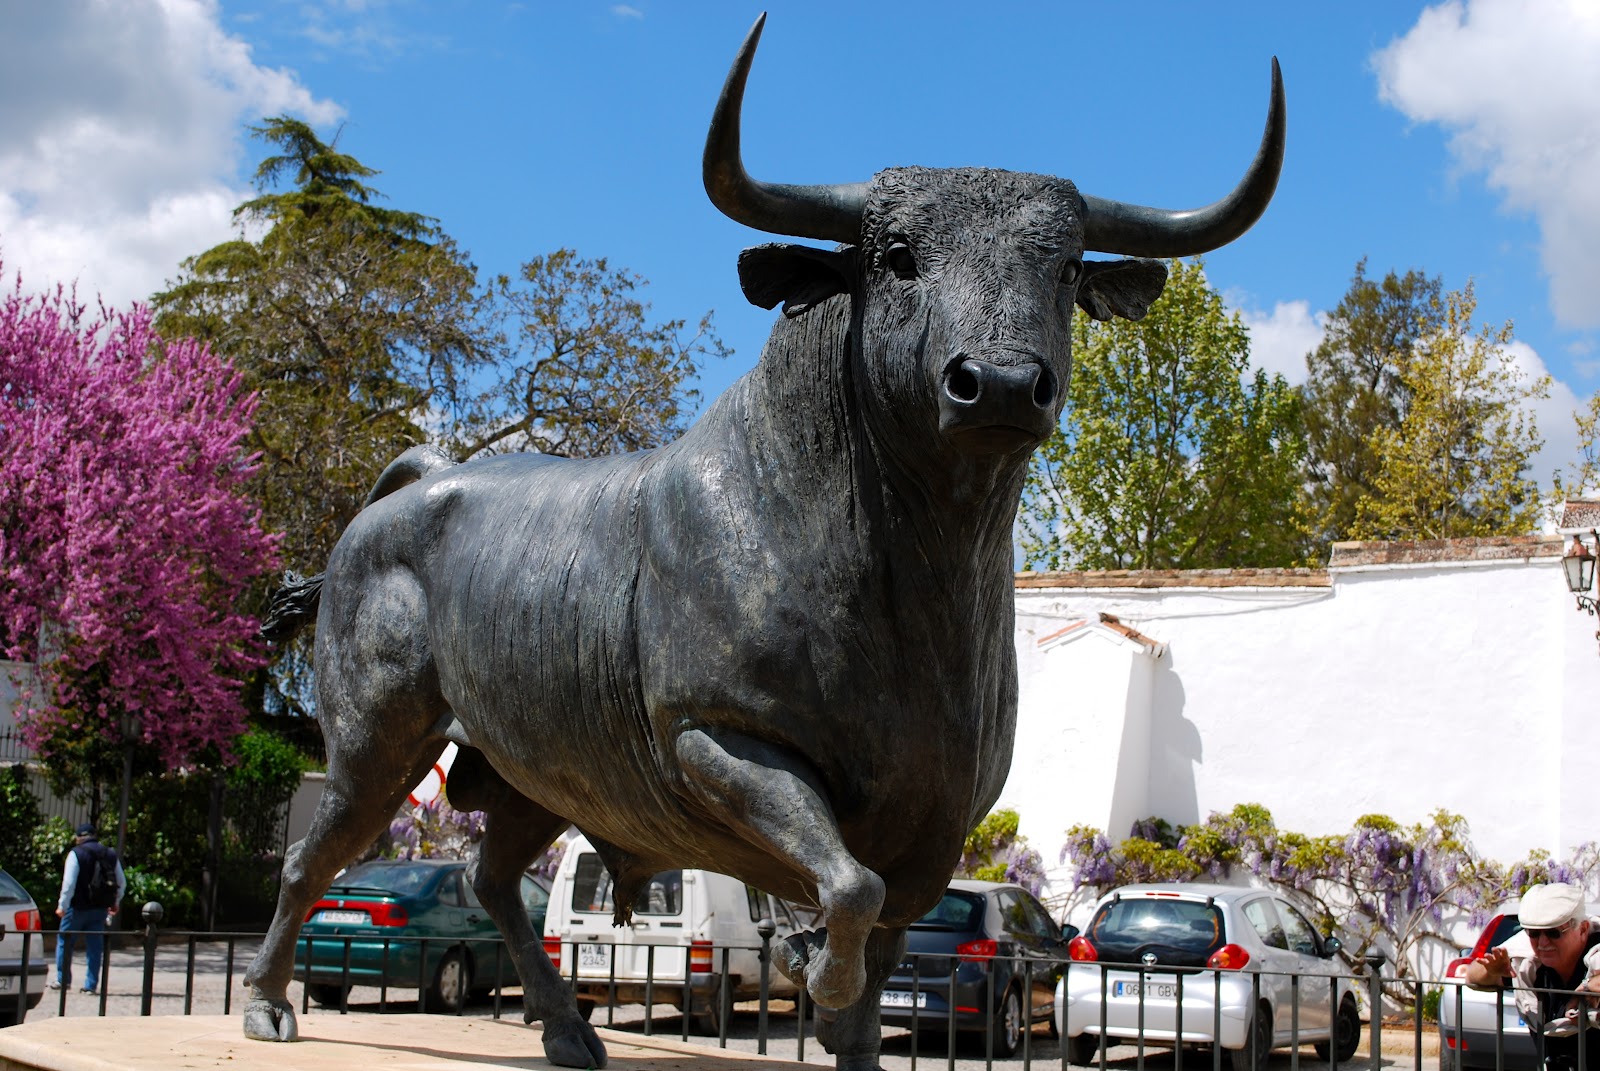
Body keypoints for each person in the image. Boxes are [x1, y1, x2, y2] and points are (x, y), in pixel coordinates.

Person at [1466, 883, 1600, 1071]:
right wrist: (1492, 971)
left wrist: (1588, 985)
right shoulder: (1529, 962)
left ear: (1583, 929)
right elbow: (1472, 976)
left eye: (1554, 933)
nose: (1543, 942)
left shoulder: (1597, 953)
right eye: (1534, 933)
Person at [51, 822, 125, 995]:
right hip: (99, 909)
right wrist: (115, 902)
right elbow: (121, 882)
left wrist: (62, 906)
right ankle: (90, 985)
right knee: (94, 947)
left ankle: (63, 980)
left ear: (79, 837)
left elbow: (69, 883)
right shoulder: (109, 854)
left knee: (65, 942)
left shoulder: (76, 853)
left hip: (76, 908)